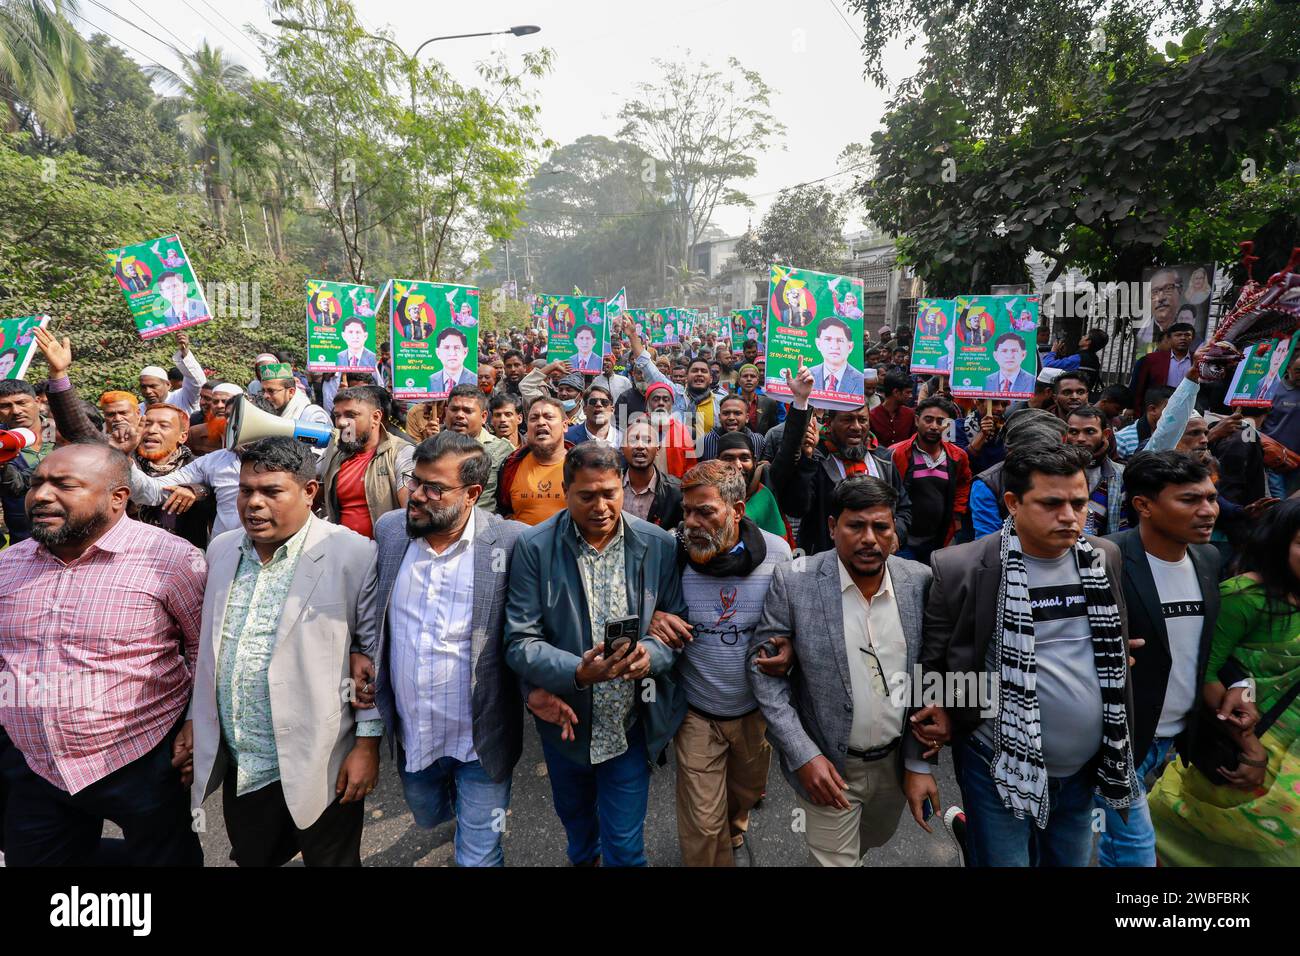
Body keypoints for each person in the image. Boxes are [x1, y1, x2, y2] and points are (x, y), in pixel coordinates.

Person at [919, 444, 1139, 867]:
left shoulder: (1104, 557)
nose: (1070, 516)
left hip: (1083, 770)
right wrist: (946, 712)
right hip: (994, 764)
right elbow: (938, 661)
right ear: (1013, 503)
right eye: (1051, 503)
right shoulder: (960, 566)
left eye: (1079, 502)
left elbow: (1110, 638)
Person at [0, 440, 205, 865]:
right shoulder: (9, 565)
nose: (40, 495)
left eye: (64, 484)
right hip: (33, 764)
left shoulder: (173, 560)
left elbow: (205, 650)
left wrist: (197, 724)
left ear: (117, 498)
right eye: (36, 483)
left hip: (142, 758)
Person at [185, 437, 380, 867]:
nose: (253, 504)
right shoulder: (221, 549)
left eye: (271, 492)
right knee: (254, 857)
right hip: (244, 758)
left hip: (322, 755)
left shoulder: (353, 553)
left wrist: (366, 745)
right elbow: (208, 648)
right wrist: (193, 721)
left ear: (309, 492)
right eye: (245, 490)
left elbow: (370, 656)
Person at [504, 442, 687, 867]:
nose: (601, 506)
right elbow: (519, 641)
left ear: (623, 487)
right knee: (580, 834)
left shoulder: (657, 545)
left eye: (610, 492)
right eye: (587, 495)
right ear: (565, 491)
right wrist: (579, 673)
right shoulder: (535, 547)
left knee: (625, 848)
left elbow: (675, 626)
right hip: (566, 726)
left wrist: (651, 657)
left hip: (631, 725)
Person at [351, 431, 528, 866]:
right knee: (428, 815)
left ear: (471, 494)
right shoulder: (391, 531)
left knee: (479, 855)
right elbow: (374, 609)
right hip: (415, 734)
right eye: (415, 481)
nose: (416, 495)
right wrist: (360, 649)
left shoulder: (510, 542)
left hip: (481, 739)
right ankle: (452, 814)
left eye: (434, 488)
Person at [752, 477, 934, 866]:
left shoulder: (919, 582)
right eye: (855, 526)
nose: (869, 538)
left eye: (881, 527)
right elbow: (765, 676)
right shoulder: (794, 580)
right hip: (828, 769)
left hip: (893, 766)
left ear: (894, 533)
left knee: (871, 842)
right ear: (834, 527)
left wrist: (919, 762)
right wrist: (803, 755)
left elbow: (930, 676)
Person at [1097, 451, 1237, 867]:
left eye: (1211, 498)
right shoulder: (1105, 560)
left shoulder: (1209, 559)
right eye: (1190, 500)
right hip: (1116, 741)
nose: (1208, 510)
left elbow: (1210, 640)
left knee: (1112, 844)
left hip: (1174, 739)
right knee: (1138, 854)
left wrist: (1239, 685)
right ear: (1144, 505)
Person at [649, 461, 792, 865]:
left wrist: (791, 648)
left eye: (705, 511)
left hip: (754, 710)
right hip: (695, 712)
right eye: (687, 511)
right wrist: (652, 617)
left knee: (743, 794)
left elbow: (794, 619)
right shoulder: (670, 552)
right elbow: (638, 599)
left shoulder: (777, 554)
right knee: (702, 821)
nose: (691, 522)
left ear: (738, 510)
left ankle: (736, 831)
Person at [1147, 499, 1300, 866]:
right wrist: (1250, 747)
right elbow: (1203, 672)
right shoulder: (1244, 597)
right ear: (1279, 544)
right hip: (1250, 747)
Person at [771, 363, 912, 557]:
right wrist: (807, 459)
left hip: (876, 560)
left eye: (862, 420)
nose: (856, 427)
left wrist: (897, 533)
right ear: (830, 423)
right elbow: (797, 507)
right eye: (847, 420)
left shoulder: (884, 459)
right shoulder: (817, 459)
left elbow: (904, 507)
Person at [317, 386, 414, 538]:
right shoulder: (334, 452)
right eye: (337, 415)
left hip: (383, 554)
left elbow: (411, 512)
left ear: (375, 418)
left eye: (351, 415)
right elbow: (312, 489)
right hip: (343, 553)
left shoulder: (401, 453)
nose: (341, 422)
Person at [889, 397, 971, 564]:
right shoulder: (896, 454)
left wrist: (956, 515)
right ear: (917, 420)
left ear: (948, 425)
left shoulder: (957, 456)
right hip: (904, 539)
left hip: (940, 539)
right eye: (928, 419)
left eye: (940, 421)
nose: (934, 426)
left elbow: (963, 484)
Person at [968, 410, 1068, 537]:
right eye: (1031, 455)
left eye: (1045, 455)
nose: (1037, 462)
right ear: (1010, 451)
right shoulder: (987, 485)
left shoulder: (1068, 477)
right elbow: (988, 541)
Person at [496, 396, 571, 525]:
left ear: (564, 425)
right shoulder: (510, 465)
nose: (541, 422)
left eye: (548, 417)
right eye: (534, 418)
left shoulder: (581, 465)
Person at [443, 384, 512, 512]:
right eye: (454, 409)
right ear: (446, 411)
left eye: (467, 411)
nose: (459, 415)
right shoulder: (432, 447)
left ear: (484, 417)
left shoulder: (502, 450)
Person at [0, 379, 50, 544]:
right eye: (5, 406)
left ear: (37, 402)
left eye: (22, 403)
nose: (16, 411)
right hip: (24, 540)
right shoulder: (1, 442)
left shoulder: (62, 431)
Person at [1064, 405, 1127, 536]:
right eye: (1074, 432)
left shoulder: (1121, 475)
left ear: (1105, 434)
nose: (1081, 438)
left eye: (1090, 431)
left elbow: (1123, 527)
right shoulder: (1054, 472)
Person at [716, 431, 791, 542]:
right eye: (728, 458)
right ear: (717, 462)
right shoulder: (708, 495)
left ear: (755, 462)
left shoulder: (764, 497)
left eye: (744, 458)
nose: (738, 465)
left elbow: (779, 546)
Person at [619, 415, 683, 529]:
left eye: (647, 440)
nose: (640, 446)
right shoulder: (610, 486)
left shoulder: (676, 492)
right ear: (622, 449)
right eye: (633, 440)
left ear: (657, 449)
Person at [1132, 321, 1195, 413]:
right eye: (1178, 335)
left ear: (1192, 338)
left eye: (1187, 335)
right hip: (1158, 408)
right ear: (1169, 339)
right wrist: (1134, 408)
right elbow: (1139, 386)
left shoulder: (1198, 360)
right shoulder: (1151, 360)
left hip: (1188, 408)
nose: (1183, 338)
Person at [138, 331, 206, 414]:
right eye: (143, 387)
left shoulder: (182, 397)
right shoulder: (137, 410)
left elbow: (197, 381)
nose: (148, 391)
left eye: (153, 386)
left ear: (168, 385)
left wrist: (184, 351)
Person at [258, 362, 331, 430]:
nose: (265, 396)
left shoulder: (313, 417)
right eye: (263, 391)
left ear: (291, 392)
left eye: (271, 391)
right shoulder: (269, 414)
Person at [808, 317, 865, 396]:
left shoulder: (861, 381)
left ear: (850, 346)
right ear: (818, 344)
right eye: (828, 339)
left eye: (840, 340)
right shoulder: (806, 376)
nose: (834, 346)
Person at [1114, 385, 1173, 460]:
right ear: (1153, 409)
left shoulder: (1179, 435)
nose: (1176, 415)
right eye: (1171, 410)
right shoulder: (1122, 439)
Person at [698, 394, 763, 461]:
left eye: (737, 413)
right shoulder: (705, 441)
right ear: (720, 417)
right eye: (726, 413)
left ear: (747, 418)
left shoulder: (757, 440)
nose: (731, 418)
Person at [564, 377, 621, 447]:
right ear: (584, 409)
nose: (599, 404)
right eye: (593, 402)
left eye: (604, 402)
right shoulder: (566, 436)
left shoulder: (623, 438)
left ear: (612, 410)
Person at [868, 371, 916, 447]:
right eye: (907, 392)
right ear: (896, 392)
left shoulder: (910, 414)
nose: (910, 396)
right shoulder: (872, 417)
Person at [427, 328, 477, 395]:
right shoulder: (430, 380)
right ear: (438, 352)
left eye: (457, 348)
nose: (452, 353)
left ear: (465, 352)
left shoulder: (475, 380)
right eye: (446, 347)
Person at [736, 362, 780, 433]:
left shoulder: (769, 403)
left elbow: (773, 430)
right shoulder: (731, 402)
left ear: (757, 381)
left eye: (752, 376)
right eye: (745, 376)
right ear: (739, 380)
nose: (749, 379)